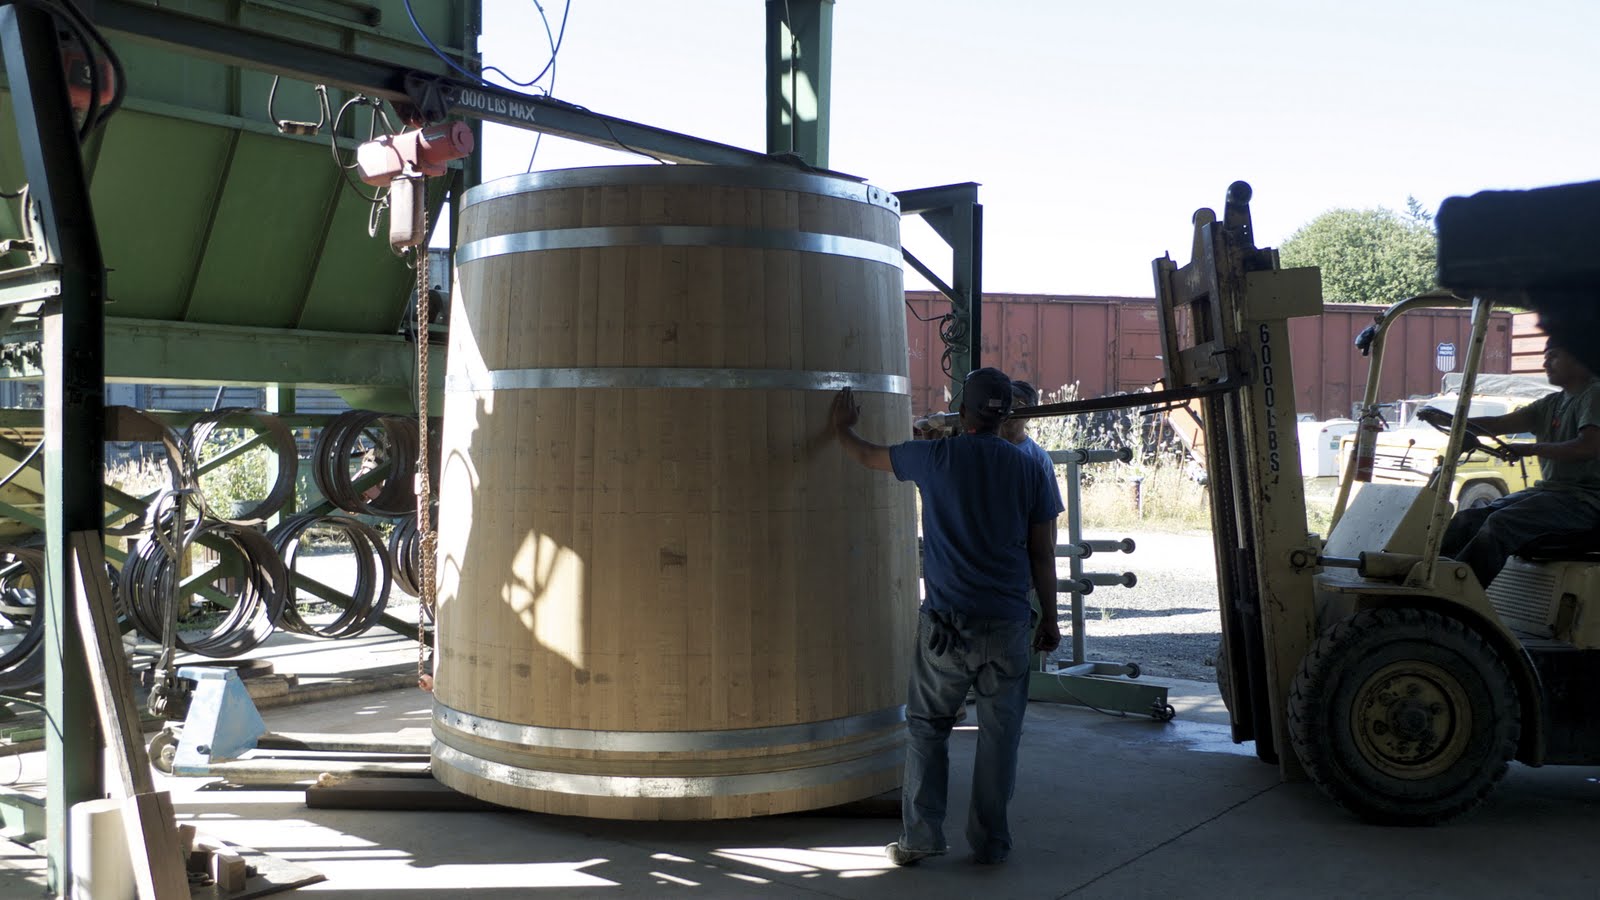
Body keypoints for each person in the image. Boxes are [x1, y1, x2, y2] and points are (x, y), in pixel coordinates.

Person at [829, 367, 1061, 867]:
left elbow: (865, 453)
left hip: (946, 628)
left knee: (929, 728)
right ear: (1008, 417)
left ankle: (921, 838)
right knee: (1001, 738)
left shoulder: (935, 458)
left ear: (962, 412)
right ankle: (991, 842)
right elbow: (1043, 554)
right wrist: (1051, 618)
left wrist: (841, 426)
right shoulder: (1032, 467)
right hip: (1009, 626)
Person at [1441, 342, 1600, 588]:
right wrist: (1454, 422)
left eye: (1553, 356)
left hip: (1585, 501)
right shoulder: (1552, 403)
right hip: (1551, 494)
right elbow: (1496, 424)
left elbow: (1588, 447)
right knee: (1467, 519)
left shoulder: (1594, 394)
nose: (1545, 363)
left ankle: (1454, 596)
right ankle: (1429, 584)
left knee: (1500, 524)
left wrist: (1529, 449)